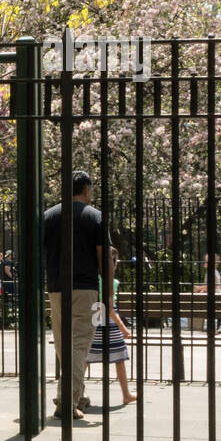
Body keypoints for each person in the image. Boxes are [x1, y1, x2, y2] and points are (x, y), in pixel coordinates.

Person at [43, 170, 109, 420]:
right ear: (86, 190)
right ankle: (66, 402)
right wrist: (109, 295)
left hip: (57, 288)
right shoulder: (95, 217)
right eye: (91, 190)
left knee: (63, 344)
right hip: (87, 289)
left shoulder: (48, 216)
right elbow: (103, 259)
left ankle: (76, 394)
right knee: (80, 345)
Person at [87, 248, 137, 406]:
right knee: (119, 357)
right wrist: (122, 327)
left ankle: (74, 392)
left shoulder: (92, 279)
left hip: (93, 319)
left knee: (86, 357)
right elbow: (108, 308)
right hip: (107, 322)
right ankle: (126, 394)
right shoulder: (113, 282)